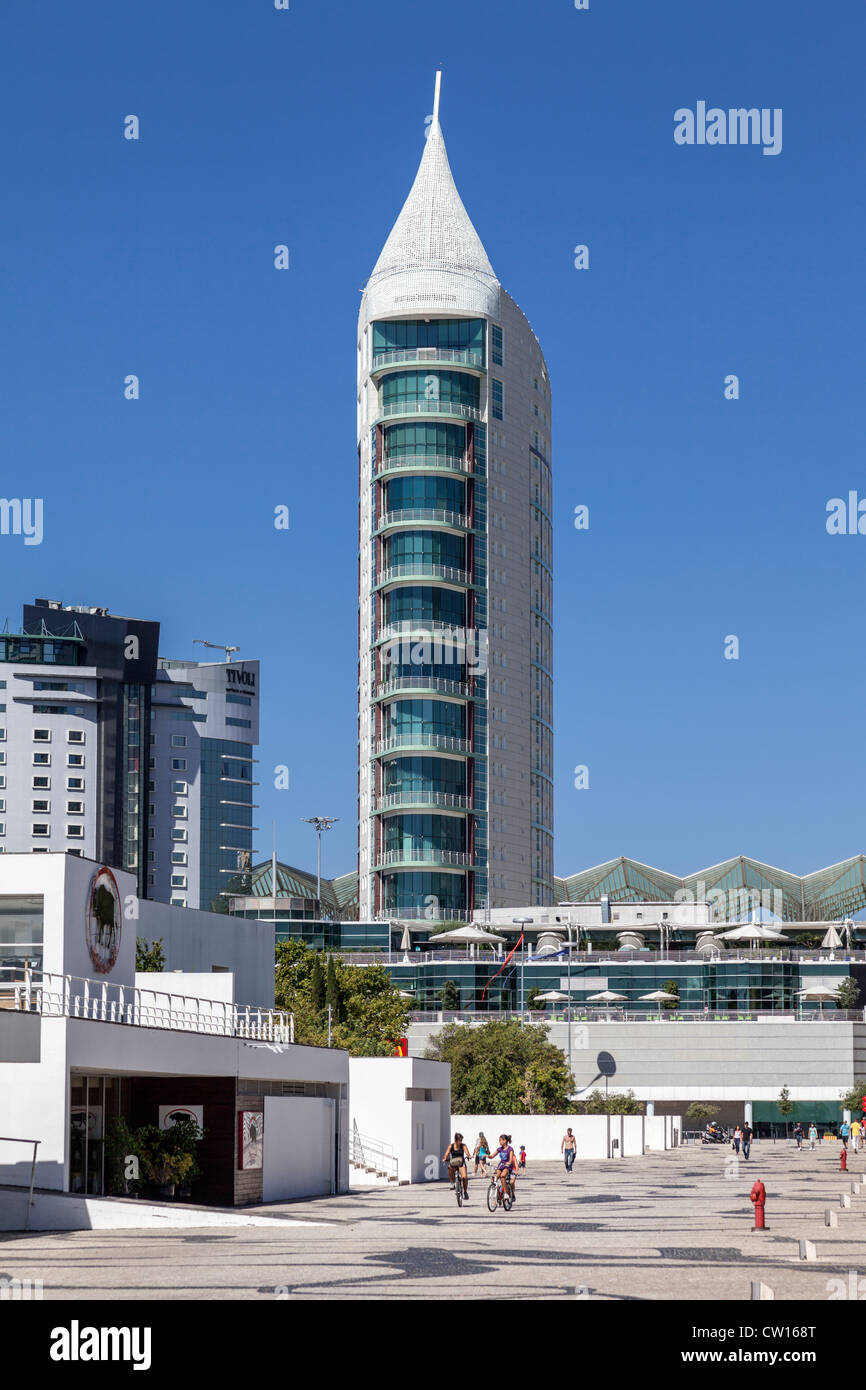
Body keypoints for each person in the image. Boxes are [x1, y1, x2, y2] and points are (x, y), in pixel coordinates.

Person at [442, 1132, 470, 1200]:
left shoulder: (463, 1145)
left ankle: (465, 1192)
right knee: (449, 1167)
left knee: (464, 1177)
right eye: (459, 1140)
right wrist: (444, 1158)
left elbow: (467, 1152)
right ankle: (452, 1183)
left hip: (461, 1163)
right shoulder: (451, 1146)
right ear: (456, 1140)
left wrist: (469, 1155)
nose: (460, 1142)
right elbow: (447, 1153)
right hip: (454, 1163)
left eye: (461, 1140)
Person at [494, 1134, 517, 1203]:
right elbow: (492, 1155)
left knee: (510, 1181)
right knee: (494, 1177)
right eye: (499, 1140)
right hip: (501, 1165)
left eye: (501, 1140)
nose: (499, 1142)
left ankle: (509, 1194)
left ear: (505, 1141)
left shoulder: (510, 1149)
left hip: (509, 1167)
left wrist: (516, 1169)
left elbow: (513, 1161)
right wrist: (486, 1155)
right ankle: (497, 1194)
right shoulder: (499, 1149)